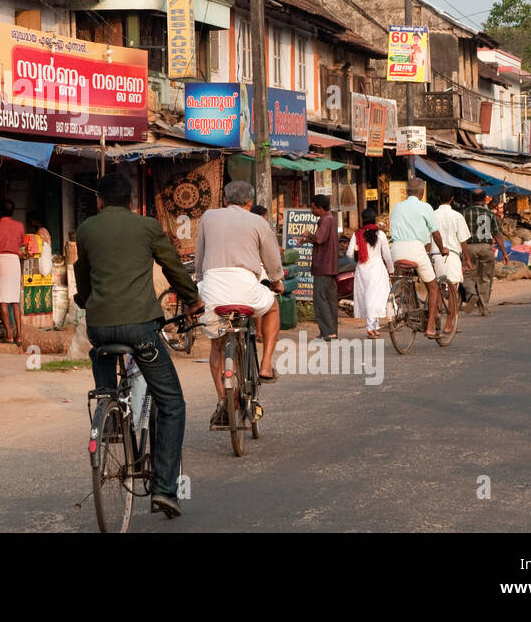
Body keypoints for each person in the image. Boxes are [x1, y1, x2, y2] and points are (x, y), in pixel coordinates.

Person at [74, 172, 200, 519]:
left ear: (99, 200)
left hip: (99, 328)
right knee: (171, 402)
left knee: (100, 351)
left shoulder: (86, 230)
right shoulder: (146, 227)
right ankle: (164, 489)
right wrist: (193, 299)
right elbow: (173, 267)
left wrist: (87, 299)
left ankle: (107, 403)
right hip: (141, 330)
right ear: (131, 201)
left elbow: (83, 280)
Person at [193, 180, 283, 425]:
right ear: (250, 202)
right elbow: (272, 260)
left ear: (224, 200)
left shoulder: (208, 217)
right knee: (274, 307)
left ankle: (223, 400)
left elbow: (199, 257)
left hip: (212, 288)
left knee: (217, 346)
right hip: (245, 287)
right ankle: (265, 366)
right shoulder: (258, 222)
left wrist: (202, 283)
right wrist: (277, 282)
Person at [389, 179, 448, 339]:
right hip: (416, 249)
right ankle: (430, 328)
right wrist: (442, 248)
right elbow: (435, 233)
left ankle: (407, 303)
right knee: (434, 287)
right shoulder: (425, 207)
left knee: (407, 278)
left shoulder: (397, 207)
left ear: (407, 192)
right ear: (421, 193)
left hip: (396, 249)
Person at [346, 207, 393, 338]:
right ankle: (371, 328)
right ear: (375, 219)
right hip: (377, 269)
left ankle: (375, 327)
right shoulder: (380, 234)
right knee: (375, 298)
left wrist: (358, 253)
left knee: (367, 297)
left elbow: (349, 254)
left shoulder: (357, 234)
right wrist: (391, 269)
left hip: (362, 269)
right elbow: (387, 255)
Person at [462, 188, 509, 316]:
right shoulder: (490, 214)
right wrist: (504, 252)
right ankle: (484, 308)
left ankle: (472, 294)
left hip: (469, 247)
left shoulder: (464, 214)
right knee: (485, 278)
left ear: (471, 200)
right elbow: (497, 234)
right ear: (484, 200)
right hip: (485, 247)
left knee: (468, 275)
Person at [0, 199, 26, 346]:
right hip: (14, 261)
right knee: (15, 300)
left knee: (2, 299)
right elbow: (21, 243)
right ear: (12, 212)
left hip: (0, 262)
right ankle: (19, 336)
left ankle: (9, 334)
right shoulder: (19, 226)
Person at [302, 194, 340, 341]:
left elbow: (319, 238)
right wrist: (306, 240)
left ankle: (328, 331)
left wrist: (308, 234)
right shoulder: (332, 219)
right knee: (330, 300)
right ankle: (332, 331)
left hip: (322, 266)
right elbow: (322, 241)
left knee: (320, 299)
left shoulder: (325, 220)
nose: (312, 210)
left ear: (319, 207)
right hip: (331, 266)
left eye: (313, 207)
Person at [434, 193, 472, 326]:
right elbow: (463, 241)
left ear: (439, 198)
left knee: (436, 289)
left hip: (434, 255)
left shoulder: (432, 215)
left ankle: (437, 314)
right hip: (452, 256)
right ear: (452, 199)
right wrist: (467, 259)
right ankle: (449, 324)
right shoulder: (457, 216)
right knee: (452, 290)